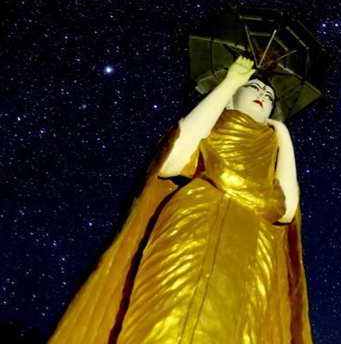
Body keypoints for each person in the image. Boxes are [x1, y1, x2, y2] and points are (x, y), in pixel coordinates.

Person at [49, 56, 312, 344]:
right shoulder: (213, 121)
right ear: (230, 99)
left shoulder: (271, 144)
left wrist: (283, 133)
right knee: (164, 319)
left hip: (252, 241)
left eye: (270, 97)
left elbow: (285, 211)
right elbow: (172, 161)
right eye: (254, 87)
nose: (263, 95)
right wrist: (230, 82)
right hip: (196, 220)